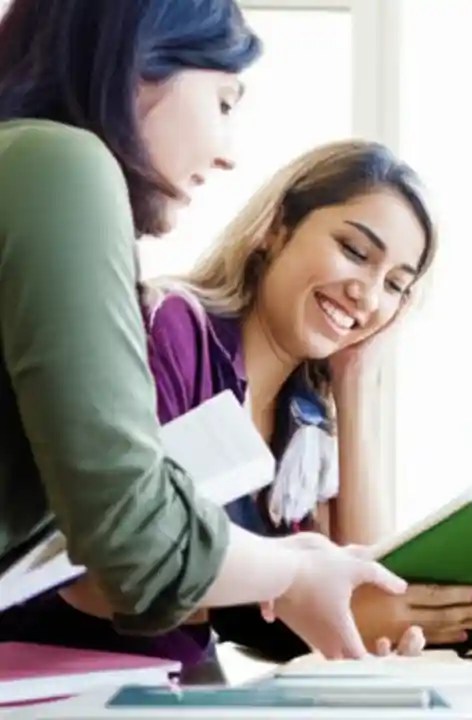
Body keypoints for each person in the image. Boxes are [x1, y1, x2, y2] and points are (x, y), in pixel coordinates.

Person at [0, 0, 405, 662]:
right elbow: (131, 537)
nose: (226, 154)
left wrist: (294, 566)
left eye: (398, 283)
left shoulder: (25, 162)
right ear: (140, 60)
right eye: (224, 102)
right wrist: (293, 570)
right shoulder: (60, 165)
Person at [15, 141, 472, 665]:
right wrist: (290, 584)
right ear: (277, 227)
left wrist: (356, 384)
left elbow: (365, 583)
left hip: (173, 682)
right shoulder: (174, 327)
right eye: (355, 252)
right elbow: (129, 563)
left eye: (396, 285)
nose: (368, 294)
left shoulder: (305, 417)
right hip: (60, 669)